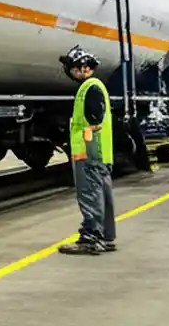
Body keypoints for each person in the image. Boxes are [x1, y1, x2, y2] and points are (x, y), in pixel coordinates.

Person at [56, 46, 116, 255]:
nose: (70, 73)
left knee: (90, 194)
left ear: (83, 67)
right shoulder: (95, 86)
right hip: (100, 152)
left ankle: (91, 238)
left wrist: (86, 142)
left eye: (71, 68)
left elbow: (95, 122)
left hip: (90, 153)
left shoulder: (90, 87)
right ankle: (106, 237)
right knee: (102, 194)